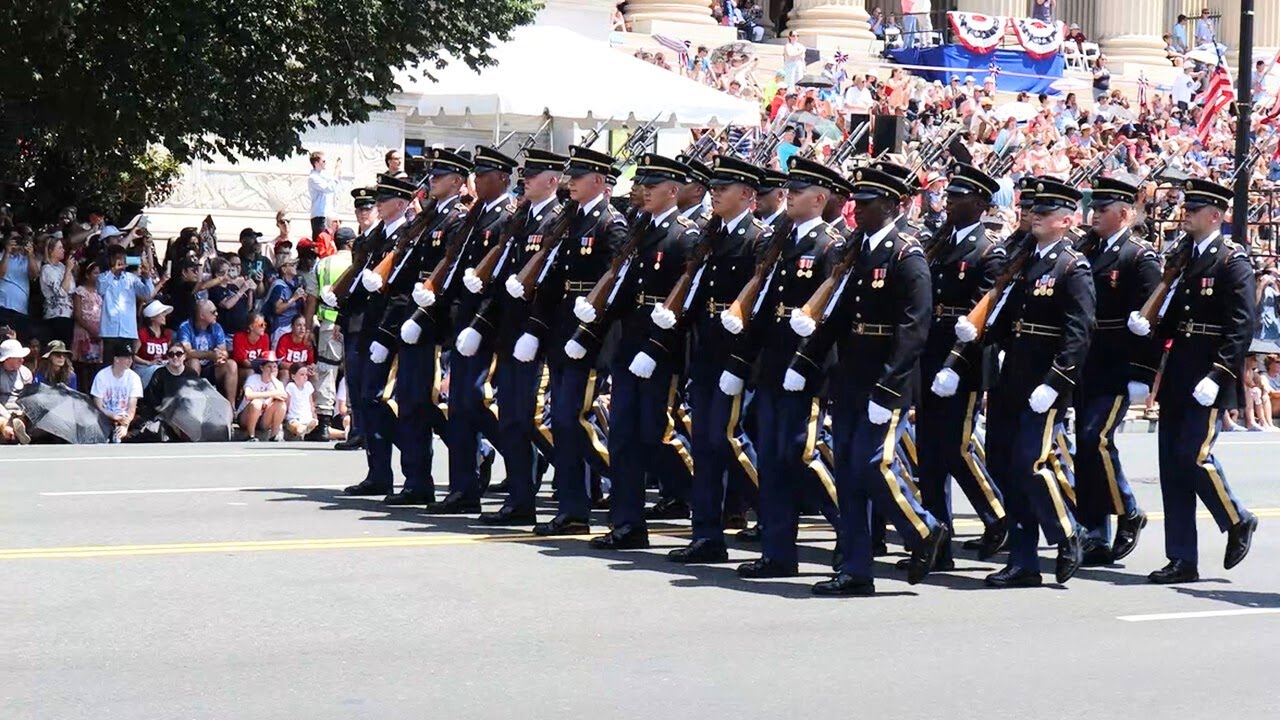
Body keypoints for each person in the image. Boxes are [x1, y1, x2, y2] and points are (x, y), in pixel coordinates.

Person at [786, 166, 947, 595]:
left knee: (874, 465)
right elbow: (838, 316)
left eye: (870, 202)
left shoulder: (905, 255)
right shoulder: (857, 250)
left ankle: (925, 528)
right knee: (850, 475)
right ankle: (857, 569)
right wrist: (805, 361)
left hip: (884, 380)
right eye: (857, 200)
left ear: (892, 206)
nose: (858, 208)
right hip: (851, 375)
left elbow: (914, 329)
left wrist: (891, 386)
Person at [956, 178, 1090, 587]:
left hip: (1043, 382)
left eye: (1046, 213)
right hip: (1011, 376)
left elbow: (1079, 331)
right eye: (1035, 211)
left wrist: (1057, 380)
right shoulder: (1024, 261)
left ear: (1066, 221)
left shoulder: (1072, 266)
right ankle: (1023, 560)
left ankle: (1068, 533)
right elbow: (1004, 317)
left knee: (1030, 464)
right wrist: (974, 337)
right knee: (1002, 465)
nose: (1036, 217)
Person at [1127, 178, 1260, 584]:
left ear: (1215, 216)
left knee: (1194, 456)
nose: (1186, 214)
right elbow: (1175, 313)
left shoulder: (1231, 261)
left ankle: (1237, 518)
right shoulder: (1184, 258)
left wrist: (1219, 374)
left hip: (1208, 374)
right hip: (1181, 370)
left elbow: (1241, 327)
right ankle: (1182, 558)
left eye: (1194, 209)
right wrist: (1147, 326)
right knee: (1172, 467)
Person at [718, 155, 844, 578]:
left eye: (799, 190)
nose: (788, 196)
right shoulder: (782, 240)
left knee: (802, 458)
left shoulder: (830, 247)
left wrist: (805, 364)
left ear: (820, 198)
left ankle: (852, 531)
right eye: (789, 189)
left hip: (804, 370)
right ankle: (777, 551)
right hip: (772, 365)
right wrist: (741, 362)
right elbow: (763, 306)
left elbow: (830, 319)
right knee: (771, 462)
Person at [565, 153, 698, 550]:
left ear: (672, 191)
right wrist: (589, 330)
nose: (642, 191)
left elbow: (683, 303)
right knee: (623, 437)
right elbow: (622, 291)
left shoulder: (685, 235)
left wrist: (656, 348)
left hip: (659, 352)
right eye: (640, 184)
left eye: (651, 185)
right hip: (630, 346)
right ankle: (627, 523)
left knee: (655, 436)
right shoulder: (641, 228)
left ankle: (709, 500)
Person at [659, 157, 769, 563]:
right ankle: (707, 535)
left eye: (725, 187)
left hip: (733, 355)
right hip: (706, 351)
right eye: (714, 186)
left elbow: (757, 308)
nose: (715, 192)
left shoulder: (758, 239)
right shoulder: (712, 235)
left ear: (747, 194)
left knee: (730, 443)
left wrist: (740, 363)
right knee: (706, 447)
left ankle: (776, 513)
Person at [459, 148, 567, 524]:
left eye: (534, 175)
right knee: (510, 421)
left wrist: (535, 330)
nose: (526, 180)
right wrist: (480, 325)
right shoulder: (521, 220)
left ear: (552, 181)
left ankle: (580, 490)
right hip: (510, 333)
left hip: (538, 338)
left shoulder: (558, 219)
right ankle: (521, 500)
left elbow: (555, 286)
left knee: (532, 420)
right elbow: (502, 284)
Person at [529, 144, 630, 538]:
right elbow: (554, 279)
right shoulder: (570, 221)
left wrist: (588, 336)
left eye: (578, 177)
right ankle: (572, 507)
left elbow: (612, 290)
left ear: (599, 182)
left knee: (576, 420)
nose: (570, 182)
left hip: (590, 339)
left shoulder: (611, 224)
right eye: (569, 176)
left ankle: (617, 487)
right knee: (564, 422)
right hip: (562, 333)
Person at [410, 145, 516, 514]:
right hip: (463, 320)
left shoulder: (506, 216)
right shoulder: (475, 215)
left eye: (484, 175)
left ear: (502, 178)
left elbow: (501, 278)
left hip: (488, 325)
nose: (478, 180)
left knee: (480, 402)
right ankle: (463, 487)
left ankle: (524, 467)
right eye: (477, 174)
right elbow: (455, 269)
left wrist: (480, 324)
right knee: (460, 408)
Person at [917, 164, 1010, 566]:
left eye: (959, 197)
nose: (949, 202)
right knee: (928, 453)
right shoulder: (939, 243)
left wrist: (955, 363)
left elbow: (982, 315)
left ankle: (998, 515)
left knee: (955, 448)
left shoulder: (989, 251)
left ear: (980, 204)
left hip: (964, 361)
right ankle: (938, 538)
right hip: (930, 353)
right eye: (949, 195)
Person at [1069, 178, 1162, 566]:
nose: (1093, 216)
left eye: (1101, 210)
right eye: (1093, 209)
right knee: (1084, 448)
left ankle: (1127, 508)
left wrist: (1143, 372)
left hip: (1118, 364)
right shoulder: (1086, 249)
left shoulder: (1139, 258)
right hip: (1087, 362)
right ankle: (1094, 532)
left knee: (1096, 439)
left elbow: (1153, 318)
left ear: (1124, 214)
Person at [339, 172, 433, 497]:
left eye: (383, 199)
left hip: (392, 331)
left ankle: (416, 476)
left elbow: (403, 292)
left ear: (402, 203)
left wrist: (385, 334)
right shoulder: (374, 237)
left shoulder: (409, 236)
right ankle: (378, 473)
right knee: (367, 402)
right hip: (367, 327)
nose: (377, 204)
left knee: (393, 405)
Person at [313, 225, 354, 437]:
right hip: (352, 323)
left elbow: (312, 295)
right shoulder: (357, 261)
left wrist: (309, 321)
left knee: (327, 370)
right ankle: (354, 421)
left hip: (328, 323)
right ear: (350, 243)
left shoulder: (323, 264)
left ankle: (324, 423)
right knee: (352, 372)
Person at [98, 245, 157, 361]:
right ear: (111, 260)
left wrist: (147, 278)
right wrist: (113, 271)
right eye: (118, 258)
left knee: (126, 364)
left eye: (123, 258)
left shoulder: (132, 278)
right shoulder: (103, 277)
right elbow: (101, 289)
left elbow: (147, 295)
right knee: (109, 365)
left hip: (128, 331)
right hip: (110, 331)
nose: (121, 261)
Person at [176, 299, 237, 401]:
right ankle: (192, 402)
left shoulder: (217, 327)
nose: (216, 314)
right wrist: (210, 354)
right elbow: (188, 353)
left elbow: (223, 350)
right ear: (202, 315)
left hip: (212, 366)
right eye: (213, 312)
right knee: (194, 362)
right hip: (191, 367)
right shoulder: (185, 327)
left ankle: (231, 406)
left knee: (231, 364)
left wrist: (222, 356)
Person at [91, 342, 143, 443]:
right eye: (126, 358)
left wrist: (125, 425)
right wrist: (112, 416)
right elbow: (98, 404)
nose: (130, 361)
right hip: (104, 416)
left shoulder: (134, 378)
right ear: (116, 359)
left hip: (125, 417)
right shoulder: (102, 376)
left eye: (131, 358)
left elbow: (132, 407)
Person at [238, 352, 287, 441]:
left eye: (275, 367)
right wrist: (272, 394)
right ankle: (250, 436)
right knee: (257, 403)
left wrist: (273, 379)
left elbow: (283, 395)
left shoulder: (277, 383)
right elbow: (248, 395)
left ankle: (274, 435)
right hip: (247, 416)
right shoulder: (254, 378)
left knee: (281, 404)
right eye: (269, 366)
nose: (272, 370)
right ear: (262, 368)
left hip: (263, 418)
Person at [0, 231, 39, 341]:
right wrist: (7, 253)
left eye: (19, 239)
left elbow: (34, 275)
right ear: (6, 241)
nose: (17, 242)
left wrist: (30, 254)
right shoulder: (1, 256)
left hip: (21, 309)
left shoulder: (25, 259)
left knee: (18, 343)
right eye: (14, 239)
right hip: (3, 307)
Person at [71, 259, 103, 384]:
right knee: (83, 364)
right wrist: (91, 329)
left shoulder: (100, 292)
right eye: (95, 273)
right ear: (87, 275)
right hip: (84, 329)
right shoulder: (80, 291)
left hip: (98, 329)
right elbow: (78, 314)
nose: (98, 276)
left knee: (95, 365)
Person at [39, 237, 75, 346]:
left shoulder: (63, 267)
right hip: (54, 317)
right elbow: (62, 292)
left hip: (68, 315)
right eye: (60, 248)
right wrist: (69, 270)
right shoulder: (47, 269)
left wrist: (68, 270)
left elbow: (72, 289)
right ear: (51, 251)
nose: (63, 250)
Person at [265, 252, 305, 345]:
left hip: (294, 326)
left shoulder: (295, 283)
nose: (295, 266)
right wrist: (294, 298)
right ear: (283, 269)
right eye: (292, 264)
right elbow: (277, 309)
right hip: (281, 328)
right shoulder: (279, 285)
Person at [206, 255, 254, 335]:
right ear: (218, 274)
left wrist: (250, 290)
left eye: (230, 270)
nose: (230, 273)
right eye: (227, 271)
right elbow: (227, 305)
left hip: (242, 332)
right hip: (227, 333)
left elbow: (248, 307)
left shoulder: (233, 287)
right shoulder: (214, 289)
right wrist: (242, 290)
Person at [0, 338, 33, 444]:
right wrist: (8, 417)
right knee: (4, 424)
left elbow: (29, 398)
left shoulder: (26, 373)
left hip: (20, 412)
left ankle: (15, 431)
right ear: (8, 358)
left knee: (21, 420)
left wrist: (22, 413)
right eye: (18, 357)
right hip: (3, 412)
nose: (22, 360)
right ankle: (10, 430)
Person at [134, 300, 174, 386]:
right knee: (159, 371)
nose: (164, 316)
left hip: (163, 366)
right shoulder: (142, 334)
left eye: (164, 314)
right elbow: (133, 355)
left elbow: (169, 353)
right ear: (152, 317)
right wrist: (148, 362)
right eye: (161, 314)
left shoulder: (167, 334)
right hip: (144, 368)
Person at [307, 150, 341, 240]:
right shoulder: (313, 178)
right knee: (321, 242)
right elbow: (329, 188)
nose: (325, 163)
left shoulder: (323, 176)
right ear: (317, 163)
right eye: (323, 161)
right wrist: (336, 171)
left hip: (326, 216)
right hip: (319, 216)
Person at [283, 362, 319, 440]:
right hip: (294, 418)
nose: (305, 377)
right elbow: (287, 403)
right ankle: (303, 430)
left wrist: (314, 415)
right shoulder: (291, 386)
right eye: (302, 375)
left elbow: (311, 403)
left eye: (306, 375)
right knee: (297, 426)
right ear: (293, 376)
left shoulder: (308, 385)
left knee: (314, 422)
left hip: (307, 418)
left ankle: (306, 428)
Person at [238, 228, 274, 298]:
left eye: (256, 238)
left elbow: (273, 281)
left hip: (263, 301)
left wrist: (262, 281)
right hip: (243, 299)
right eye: (252, 238)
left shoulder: (264, 260)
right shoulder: (236, 261)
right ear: (243, 241)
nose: (256, 241)